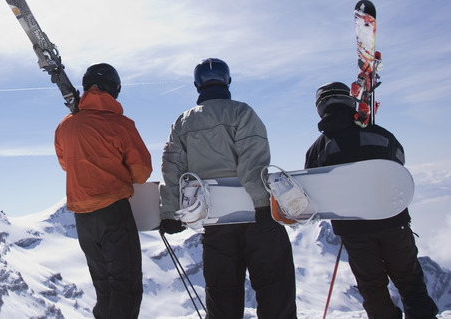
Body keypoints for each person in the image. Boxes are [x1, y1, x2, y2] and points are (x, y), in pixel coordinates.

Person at [159, 58, 297, 318]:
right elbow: (252, 163)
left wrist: (169, 213)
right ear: (228, 81)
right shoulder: (243, 112)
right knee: (275, 289)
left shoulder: (183, 123)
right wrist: (261, 206)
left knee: (222, 295)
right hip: (258, 218)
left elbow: (172, 168)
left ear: (196, 85)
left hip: (216, 222)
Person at [305, 82, 438, 319]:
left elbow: (315, 190)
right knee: (410, 282)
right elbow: (399, 164)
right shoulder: (379, 134)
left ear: (321, 108)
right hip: (392, 220)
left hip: (353, 229)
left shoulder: (317, 150)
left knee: (372, 287)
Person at [54, 63, 153, 319]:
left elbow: (67, 164)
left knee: (104, 289)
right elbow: (142, 172)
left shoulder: (66, 126)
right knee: (126, 288)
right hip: (113, 213)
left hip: (83, 218)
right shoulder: (121, 125)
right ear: (114, 90)